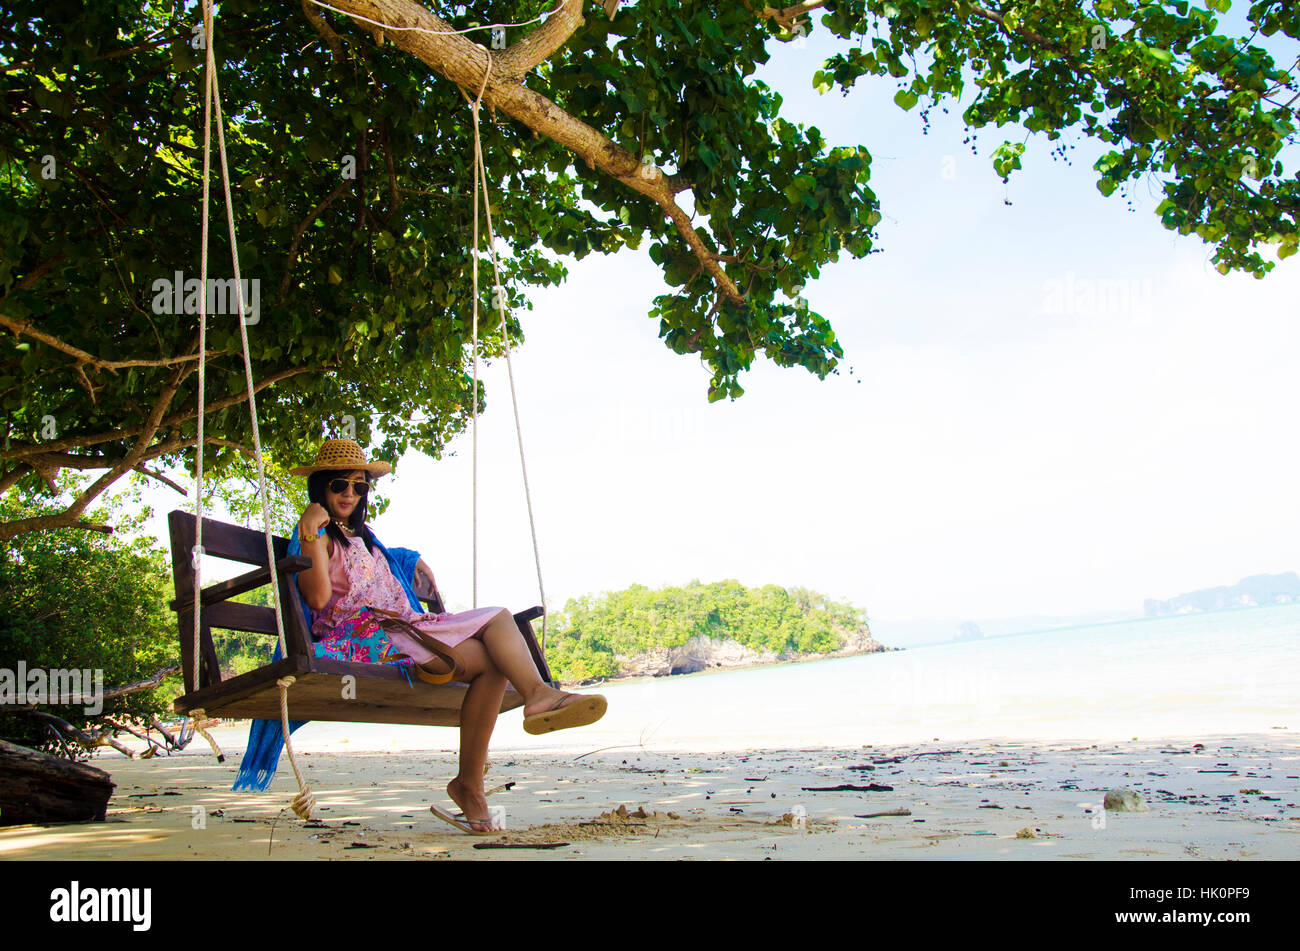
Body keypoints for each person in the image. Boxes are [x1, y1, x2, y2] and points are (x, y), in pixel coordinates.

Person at [233, 439, 606, 833]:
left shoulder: (367, 541)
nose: (349, 494)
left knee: (497, 632)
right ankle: (488, 760)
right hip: (363, 637)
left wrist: (410, 558)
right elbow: (318, 598)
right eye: (339, 485)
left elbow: (387, 560)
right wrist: (309, 528)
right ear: (321, 487)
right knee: (496, 642)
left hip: (402, 628)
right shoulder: (320, 535)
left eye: (359, 487)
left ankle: (492, 755)